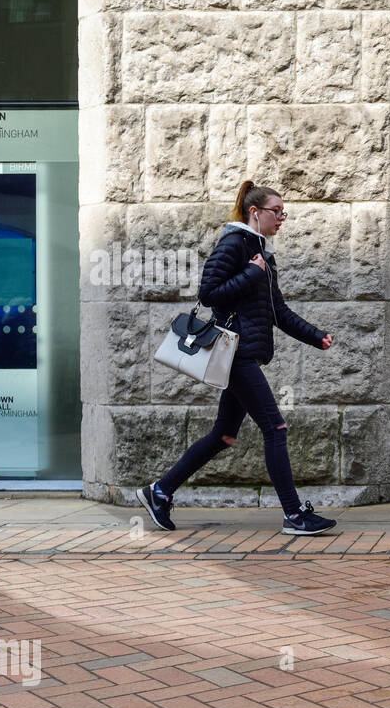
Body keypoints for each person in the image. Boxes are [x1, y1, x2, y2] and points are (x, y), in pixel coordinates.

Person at [138, 181, 338, 535]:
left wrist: (315, 336)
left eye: (283, 212)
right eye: (277, 211)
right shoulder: (234, 244)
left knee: (224, 435)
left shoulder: (262, 251)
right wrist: (251, 273)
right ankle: (294, 515)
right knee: (276, 428)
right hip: (238, 356)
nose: (282, 218)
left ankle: (160, 491)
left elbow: (278, 311)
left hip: (246, 355)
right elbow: (208, 293)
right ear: (255, 212)